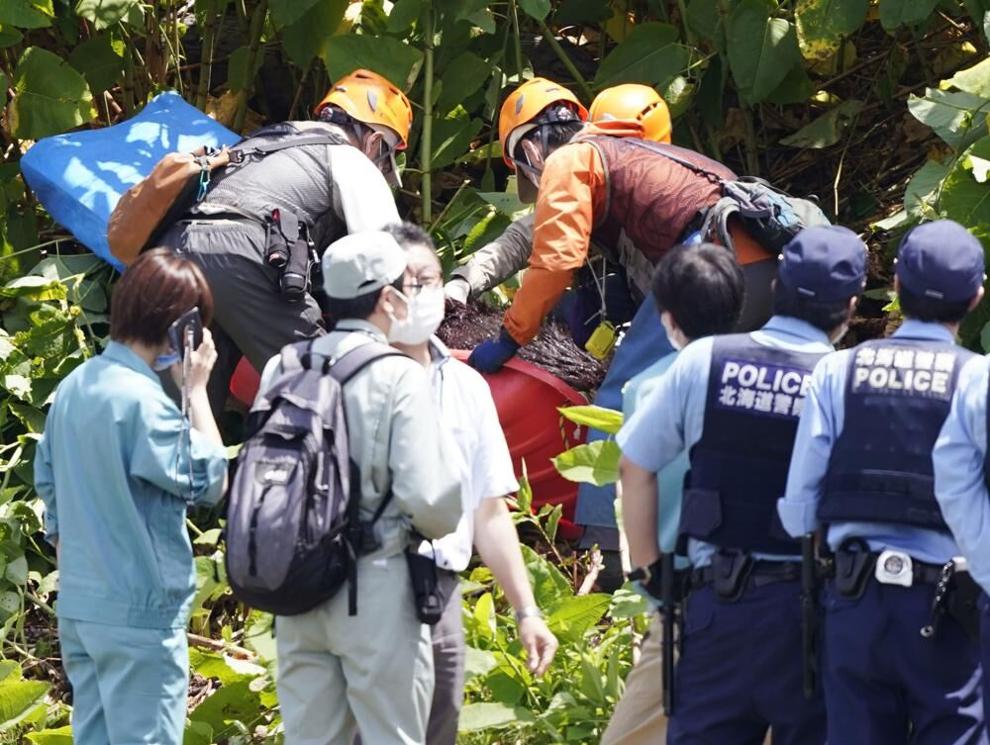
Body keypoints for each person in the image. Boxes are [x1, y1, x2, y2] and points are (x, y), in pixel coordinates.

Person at [466, 76, 775, 545]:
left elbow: (556, 259)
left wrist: (511, 336)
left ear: (530, 147)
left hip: (706, 266)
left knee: (627, 394)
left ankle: (606, 544)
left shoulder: (571, 159)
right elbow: (530, 235)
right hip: (760, 270)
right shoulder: (634, 153)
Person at [617, 226, 867, 744]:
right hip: (812, 614)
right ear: (850, 307)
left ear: (775, 287)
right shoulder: (849, 381)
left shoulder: (705, 360)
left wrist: (653, 575)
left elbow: (634, 468)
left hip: (717, 606)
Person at [778, 219, 988, 744]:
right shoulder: (978, 379)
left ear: (895, 284)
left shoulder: (836, 372)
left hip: (855, 601)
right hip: (952, 607)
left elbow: (800, 508)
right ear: (976, 298)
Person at [258, 230, 463, 745]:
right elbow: (432, 502)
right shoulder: (397, 374)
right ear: (388, 298)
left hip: (296, 587)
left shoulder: (283, 366)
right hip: (374, 585)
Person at [33, 249, 228, 745]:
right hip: (138, 616)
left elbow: (49, 491)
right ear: (183, 328)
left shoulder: (74, 387)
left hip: (82, 608)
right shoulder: (141, 402)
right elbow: (210, 479)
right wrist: (196, 390)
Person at [382, 221, 558, 744]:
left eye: (430, 281)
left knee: (438, 730)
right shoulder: (343, 378)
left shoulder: (466, 386)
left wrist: (526, 610)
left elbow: (489, 509)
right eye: (407, 284)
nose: (421, 295)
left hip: (439, 593)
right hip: (364, 588)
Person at [159, 69, 412, 413]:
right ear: (375, 142)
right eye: (387, 160)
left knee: (184, 410)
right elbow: (388, 256)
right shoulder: (351, 158)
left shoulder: (268, 140)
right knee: (326, 394)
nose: (382, 169)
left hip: (172, 253)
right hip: (241, 256)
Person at [601, 241, 745, 745]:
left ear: (667, 317)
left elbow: (635, 476)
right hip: (770, 590)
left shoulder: (647, 389)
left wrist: (649, 575)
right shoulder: (762, 379)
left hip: (684, 591)